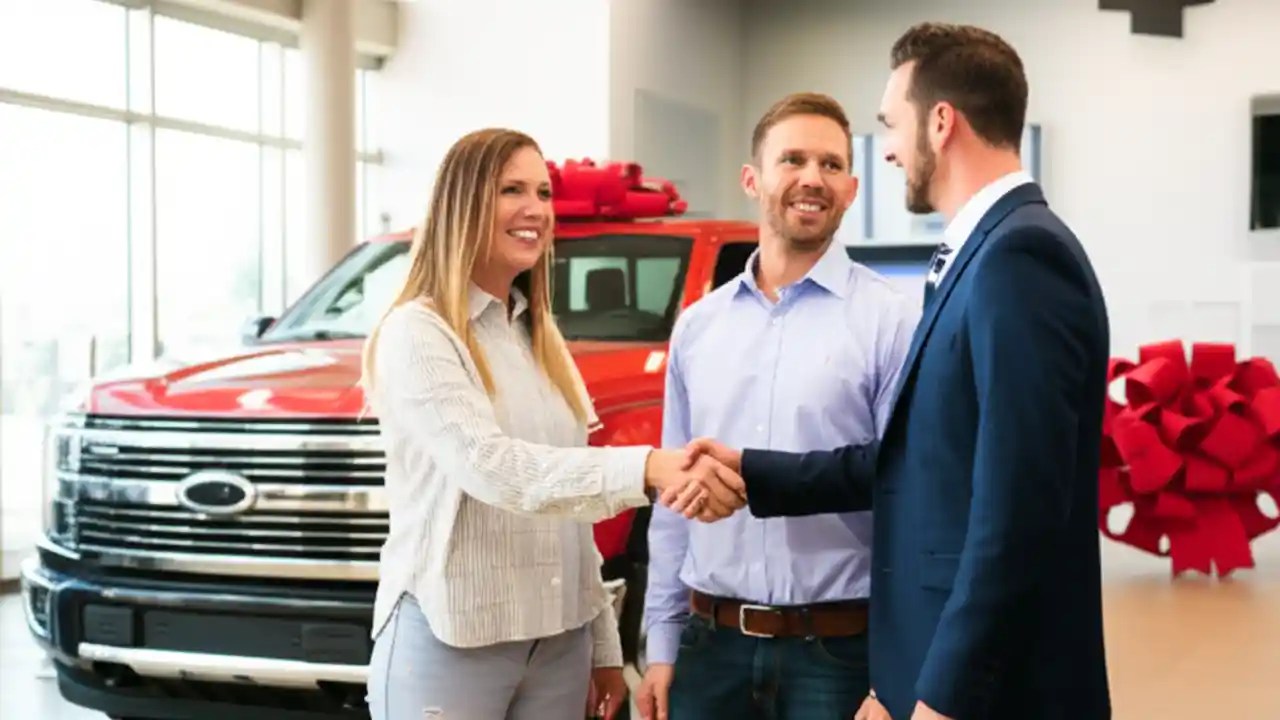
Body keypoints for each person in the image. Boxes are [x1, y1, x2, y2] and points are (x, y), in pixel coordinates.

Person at [671, 22, 1112, 720]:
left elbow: (1017, 512)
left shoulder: (1019, 259)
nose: (889, 153)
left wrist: (940, 694)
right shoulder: (984, 256)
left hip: (990, 691)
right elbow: (914, 465)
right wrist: (753, 469)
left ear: (941, 123)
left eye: (891, 126)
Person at [359, 127, 744, 720]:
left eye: (542, 192)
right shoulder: (419, 332)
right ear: (461, 203)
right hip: (453, 635)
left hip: (558, 644)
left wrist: (602, 645)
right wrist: (649, 466)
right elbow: (494, 469)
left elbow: (569, 508)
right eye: (511, 189)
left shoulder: (536, 335)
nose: (535, 209)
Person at [634, 92, 919, 720]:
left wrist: (901, 672)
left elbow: (910, 499)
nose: (811, 178)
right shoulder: (698, 328)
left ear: (850, 187)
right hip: (710, 649)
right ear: (752, 179)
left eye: (830, 164)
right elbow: (672, 504)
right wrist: (661, 643)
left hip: (840, 656)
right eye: (791, 159)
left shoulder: (892, 322)